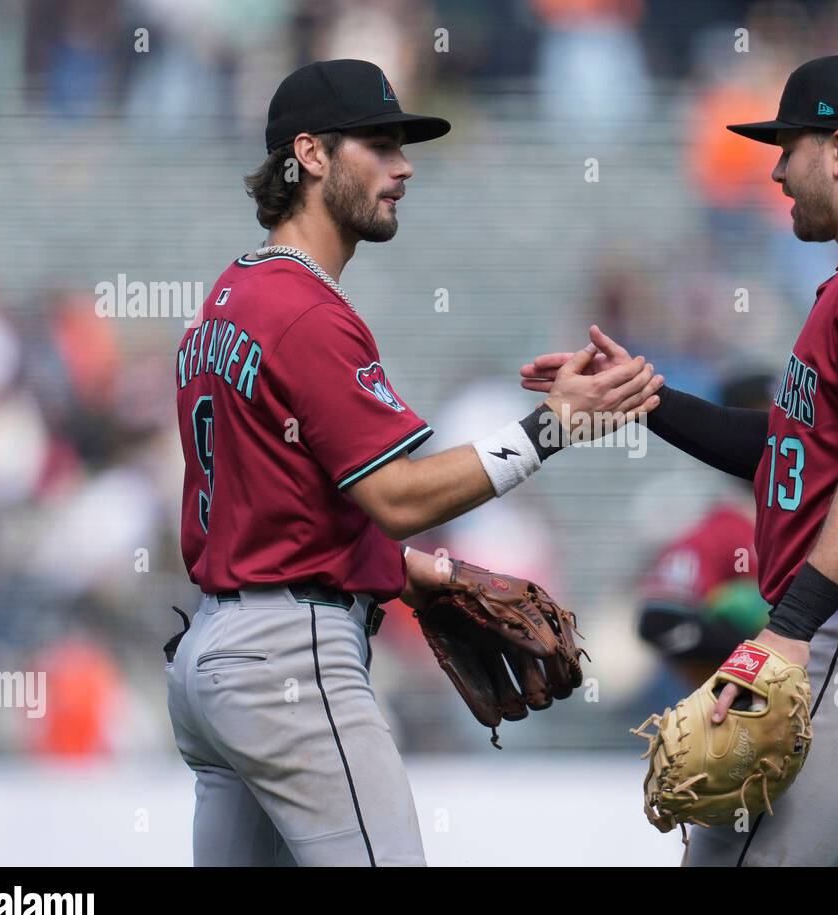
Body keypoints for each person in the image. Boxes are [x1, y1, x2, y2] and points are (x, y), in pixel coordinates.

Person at [166, 59, 662, 867]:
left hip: (215, 658)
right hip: (291, 659)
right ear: (312, 154)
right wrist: (554, 425)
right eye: (381, 144)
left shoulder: (228, 298)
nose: (404, 168)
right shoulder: (306, 312)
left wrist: (405, 573)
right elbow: (395, 495)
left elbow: (278, 510)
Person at [522, 54, 838, 865]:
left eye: (790, 147)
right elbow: (790, 452)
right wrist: (645, 398)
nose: (777, 171)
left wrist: (787, 634)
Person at [638, 372, 772, 690]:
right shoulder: (718, 532)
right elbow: (659, 622)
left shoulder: (830, 517)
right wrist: (761, 649)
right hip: (751, 713)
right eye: (761, 422)